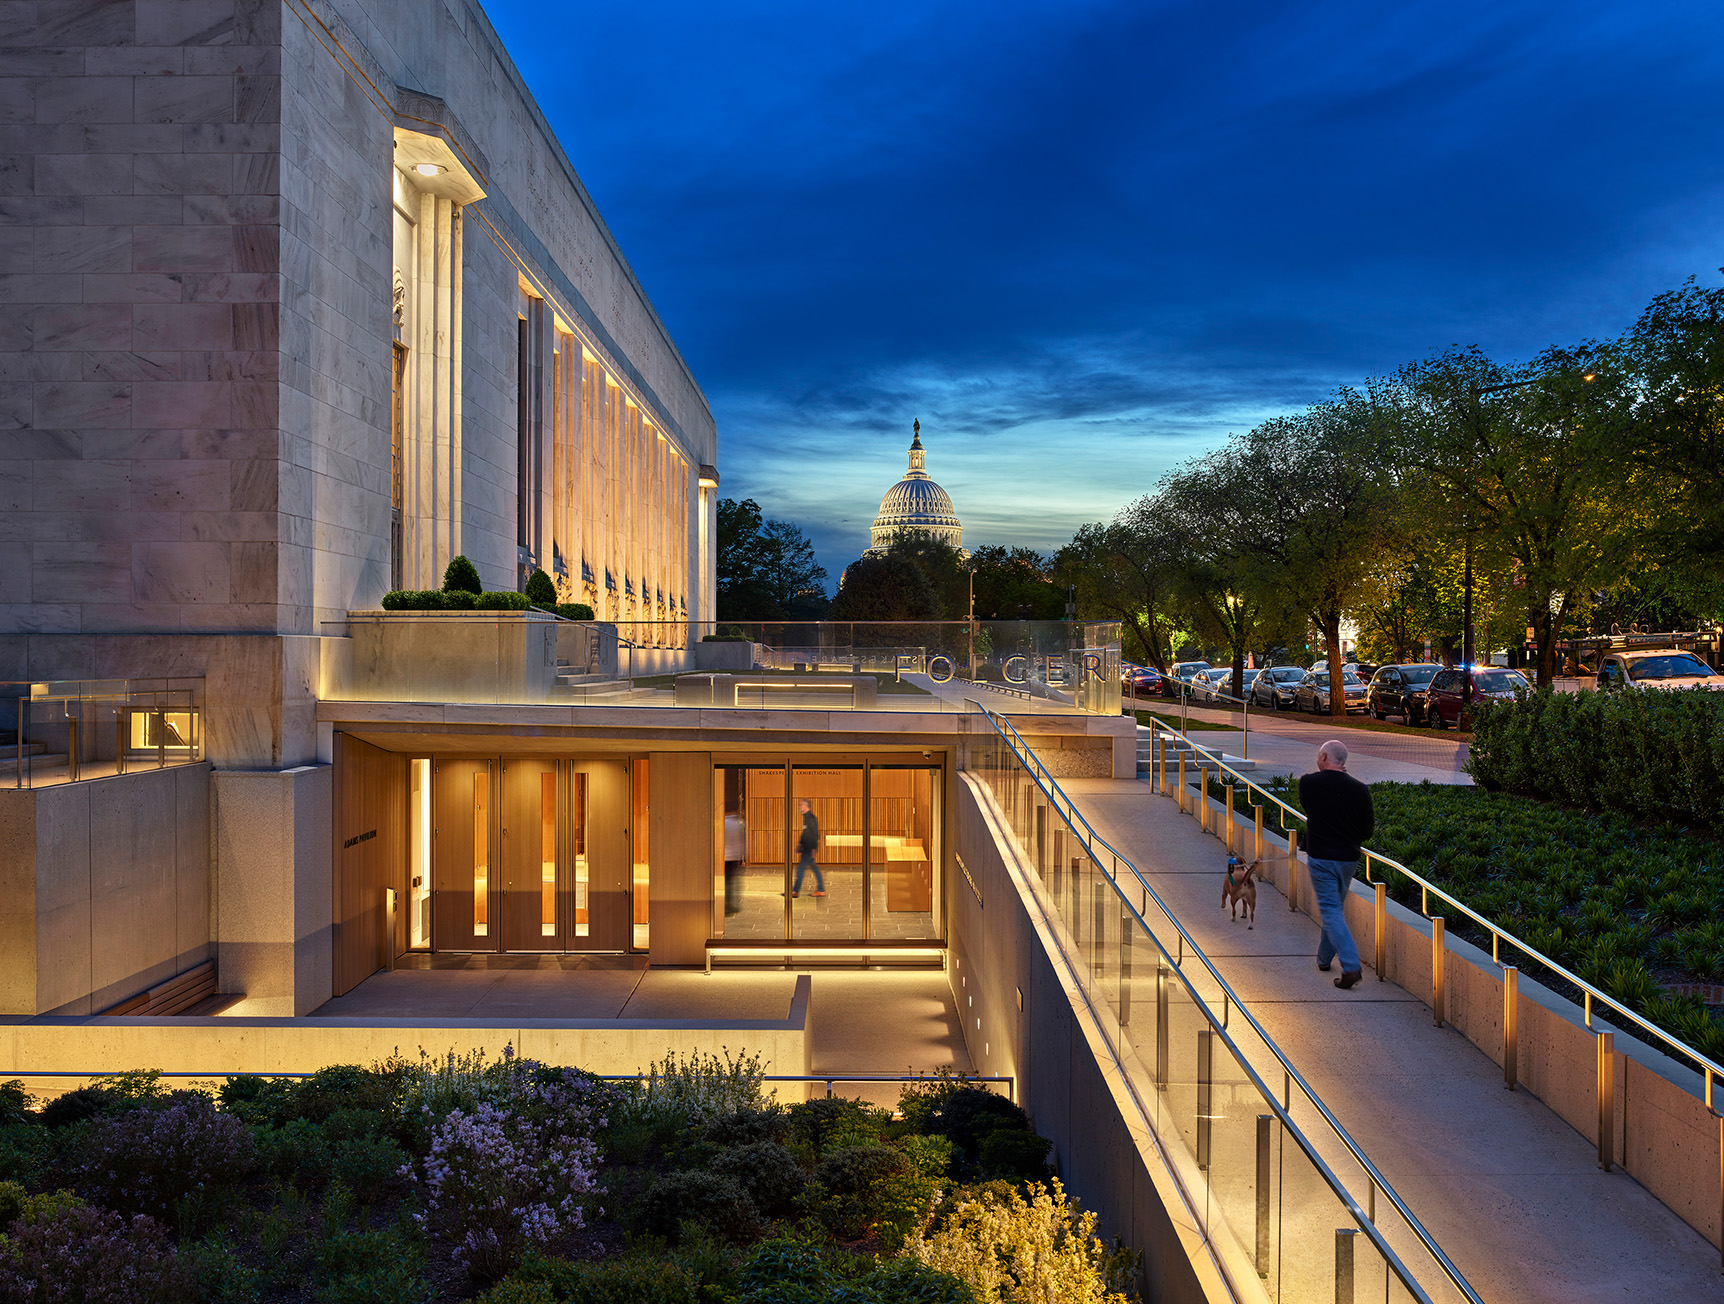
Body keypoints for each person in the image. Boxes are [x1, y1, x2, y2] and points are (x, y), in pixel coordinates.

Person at [1298, 740, 1374, 989]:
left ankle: (1351, 967)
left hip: (1321, 859)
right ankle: (1323, 959)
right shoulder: (1361, 790)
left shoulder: (1308, 784)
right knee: (1334, 910)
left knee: (1331, 912)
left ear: (1323, 756)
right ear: (1344, 762)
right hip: (1348, 859)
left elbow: (1310, 808)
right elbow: (1367, 831)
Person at [792, 798, 824, 898]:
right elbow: (805, 833)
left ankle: (795, 891)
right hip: (807, 847)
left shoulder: (811, 818)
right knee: (814, 868)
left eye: (800, 805)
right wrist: (800, 845)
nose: (799, 807)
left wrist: (813, 849)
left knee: (800, 869)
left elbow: (815, 834)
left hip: (809, 848)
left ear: (806, 806)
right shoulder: (806, 817)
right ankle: (821, 890)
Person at [722, 808, 746, 916]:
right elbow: (743, 841)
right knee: (734, 882)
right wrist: (743, 856)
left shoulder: (724, 824)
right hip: (735, 856)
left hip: (726, 856)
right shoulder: (739, 824)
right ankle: (731, 904)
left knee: (728, 881)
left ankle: (728, 904)